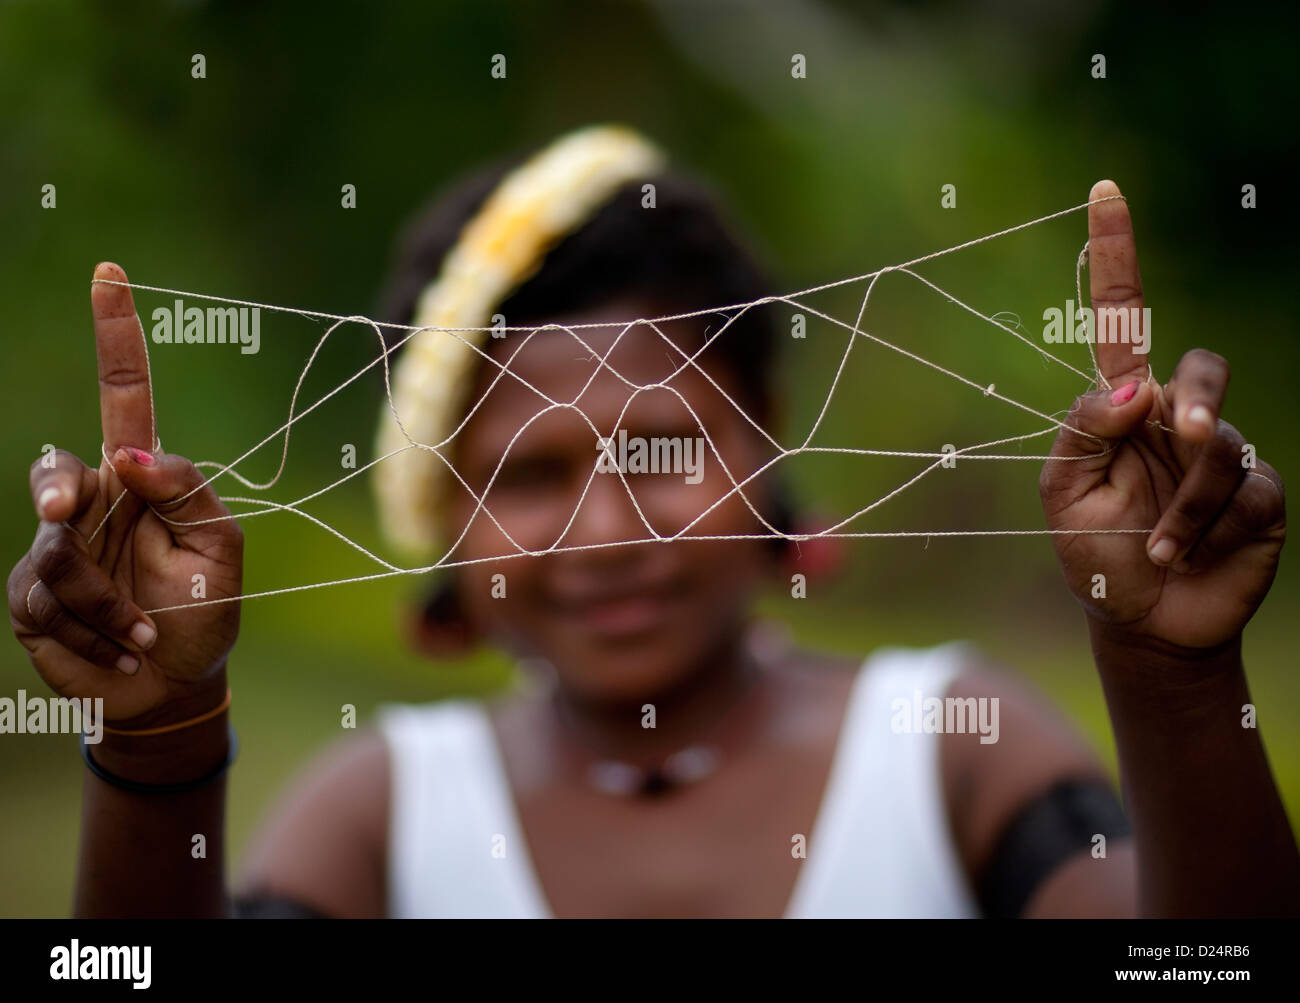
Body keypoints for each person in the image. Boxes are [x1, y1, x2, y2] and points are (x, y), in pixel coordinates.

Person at [9, 125, 1297, 918]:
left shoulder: (950, 751)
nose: (606, 531)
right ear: (445, 513)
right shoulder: (382, 814)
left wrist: (1172, 676)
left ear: (770, 436)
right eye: (525, 475)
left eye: (666, 448)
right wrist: (159, 740)